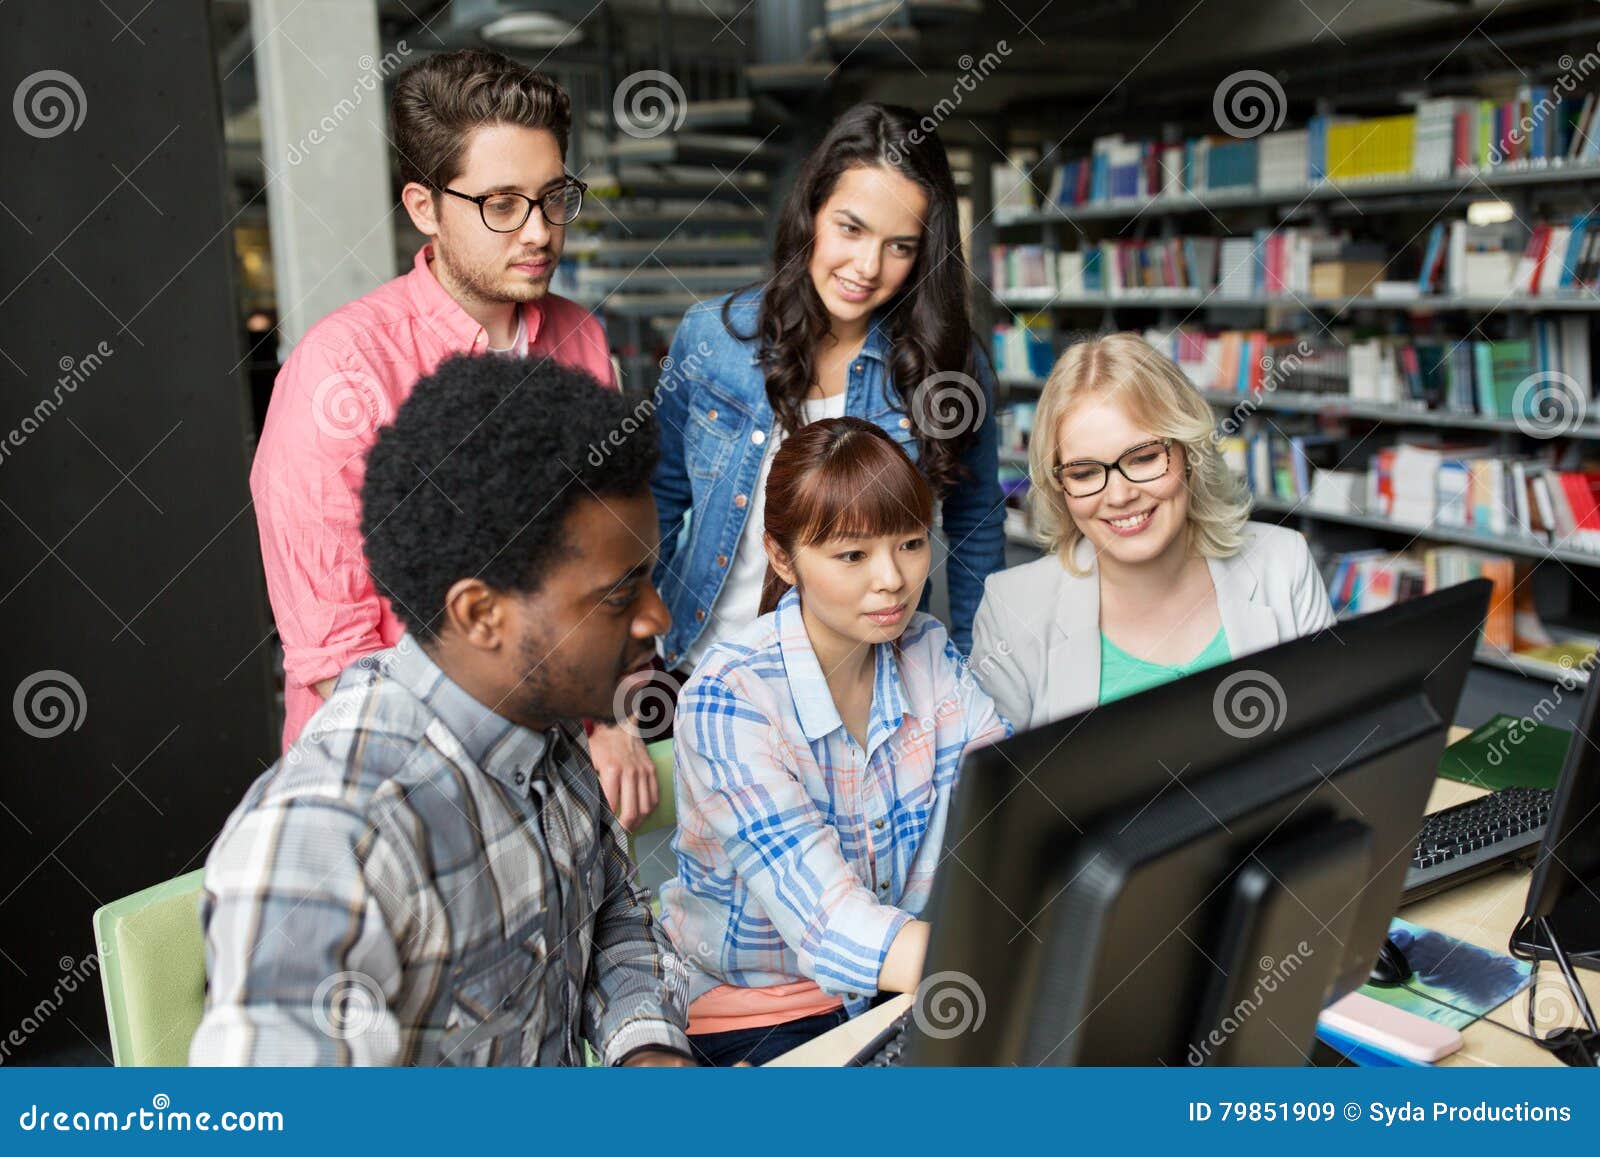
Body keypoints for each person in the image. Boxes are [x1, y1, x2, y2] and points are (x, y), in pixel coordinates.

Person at [191, 356, 692, 1067]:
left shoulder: (540, 717)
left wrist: (649, 1054)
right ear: (480, 613)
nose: (658, 616)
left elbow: (610, 912)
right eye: (620, 593)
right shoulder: (336, 836)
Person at [249, 48, 659, 829]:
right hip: (398, 796)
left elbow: (603, 560)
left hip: (558, 778)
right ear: (424, 206)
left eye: (553, 197)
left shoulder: (580, 338)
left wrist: (612, 721)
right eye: (501, 204)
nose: (539, 231)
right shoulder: (340, 372)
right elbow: (339, 660)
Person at [660, 417, 1011, 1066]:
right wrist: (1004, 960)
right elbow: (830, 925)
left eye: (910, 542)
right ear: (782, 556)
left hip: (889, 988)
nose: (893, 580)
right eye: (852, 555)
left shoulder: (927, 650)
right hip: (755, 1016)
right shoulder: (730, 696)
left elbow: (1011, 800)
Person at [650, 102, 1005, 698]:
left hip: (864, 686)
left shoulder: (949, 366)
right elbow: (655, 502)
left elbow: (976, 529)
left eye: (900, 246)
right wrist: (631, 654)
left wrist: (972, 677)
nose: (867, 267)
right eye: (851, 228)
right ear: (811, 211)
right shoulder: (712, 338)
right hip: (701, 667)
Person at [970, 332, 1335, 730]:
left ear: (1190, 452)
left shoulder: (1284, 564)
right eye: (1086, 472)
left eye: (1144, 458)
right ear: (1058, 485)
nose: (1121, 495)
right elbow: (1001, 788)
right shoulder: (1013, 610)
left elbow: (1336, 742)